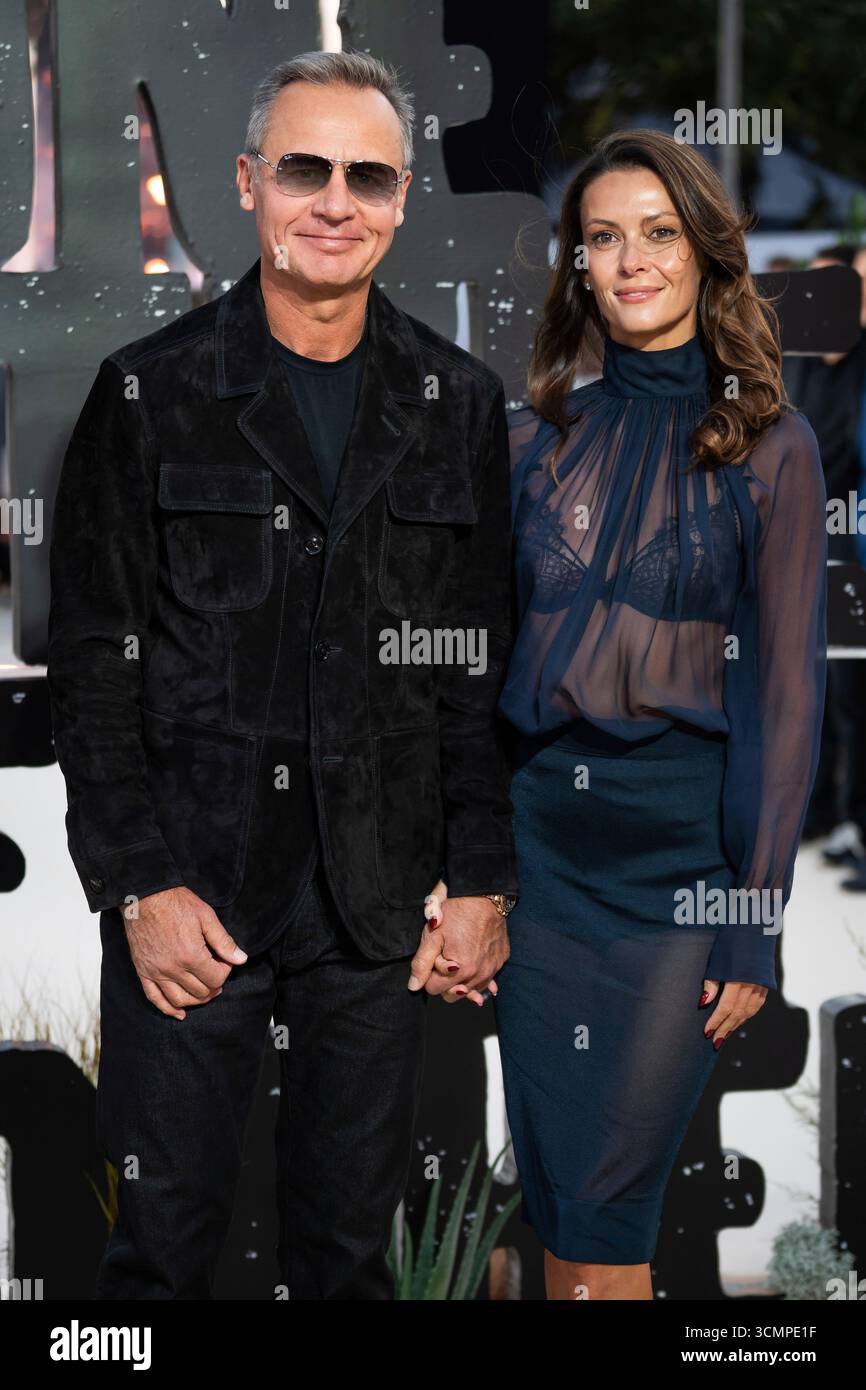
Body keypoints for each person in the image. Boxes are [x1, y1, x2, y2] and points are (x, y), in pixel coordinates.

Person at [47, 50, 518, 1301]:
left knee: (347, 1260)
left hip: (375, 910)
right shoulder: (148, 393)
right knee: (159, 1255)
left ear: (402, 197)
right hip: (194, 903)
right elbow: (91, 674)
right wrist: (140, 885)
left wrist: (479, 878)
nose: (333, 199)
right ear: (250, 181)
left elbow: (472, 669)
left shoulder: (458, 404)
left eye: (367, 175)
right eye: (304, 167)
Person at [489, 129, 827, 1301]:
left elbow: (785, 702)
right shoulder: (531, 440)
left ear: (702, 253)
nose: (628, 260)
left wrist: (752, 912)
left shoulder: (770, 448)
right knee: (553, 1214)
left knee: (606, 1217)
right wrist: (467, 870)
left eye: (656, 233)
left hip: (678, 874)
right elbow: (472, 687)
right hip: (539, 863)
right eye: (600, 237)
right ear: (575, 264)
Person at [783, 244, 866, 875]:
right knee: (814, 680)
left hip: (848, 543)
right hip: (809, 542)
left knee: (848, 686)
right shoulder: (801, 361)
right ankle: (825, 811)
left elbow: (834, 447)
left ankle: (851, 817)